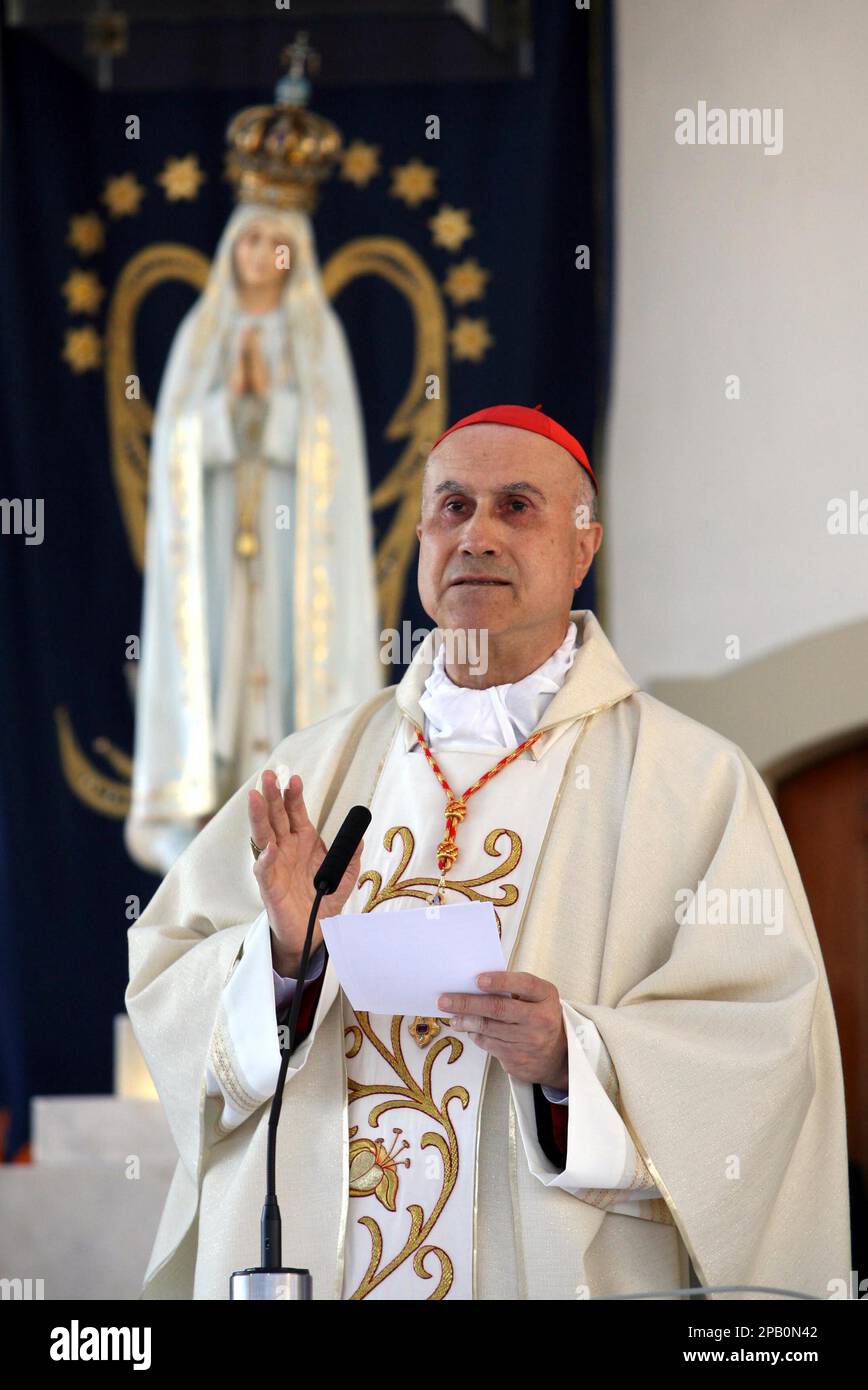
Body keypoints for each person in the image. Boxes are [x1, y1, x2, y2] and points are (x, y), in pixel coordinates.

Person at [126, 403, 850, 1300]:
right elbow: (167, 985)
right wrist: (280, 958)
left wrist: (570, 1061)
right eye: (452, 506)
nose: (477, 534)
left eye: (517, 506)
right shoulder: (309, 768)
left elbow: (763, 1050)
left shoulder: (693, 783)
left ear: (583, 548)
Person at [124, 202, 383, 875]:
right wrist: (225, 409)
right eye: (249, 238)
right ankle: (216, 796)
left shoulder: (316, 334)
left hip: (294, 544)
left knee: (283, 645)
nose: (260, 252)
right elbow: (176, 445)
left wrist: (271, 409)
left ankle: (297, 793)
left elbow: (335, 450)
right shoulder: (201, 334)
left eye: (276, 239)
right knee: (227, 653)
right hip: (219, 546)